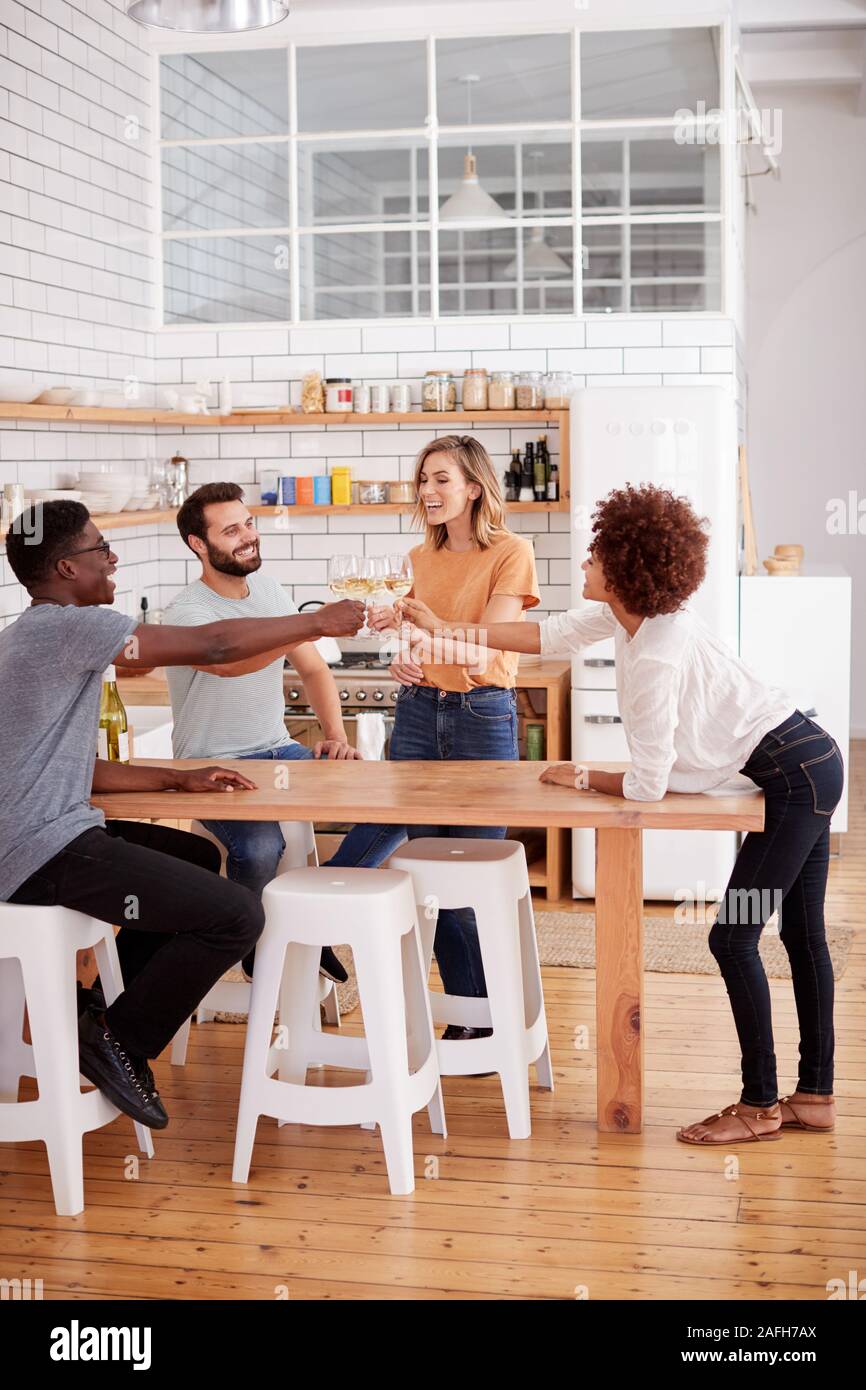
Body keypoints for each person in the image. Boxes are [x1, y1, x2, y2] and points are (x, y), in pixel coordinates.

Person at [397, 482, 842, 1141]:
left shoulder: (658, 647)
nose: (584, 563)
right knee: (800, 935)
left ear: (629, 569)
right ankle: (814, 1097)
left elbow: (647, 784)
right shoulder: (626, 617)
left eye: (596, 554)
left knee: (734, 935)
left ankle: (759, 1106)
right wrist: (445, 629)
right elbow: (543, 637)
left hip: (799, 777)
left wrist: (581, 774)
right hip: (805, 765)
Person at [0, 501, 365, 1130]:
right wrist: (317, 624)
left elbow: (73, 767)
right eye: (99, 551)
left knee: (197, 855)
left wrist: (175, 777)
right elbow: (214, 643)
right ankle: (121, 1040)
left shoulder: (34, 634)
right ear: (64, 567)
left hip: (48, 830)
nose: (113, 560)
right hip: (35, 849)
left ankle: (108, 1018)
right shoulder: (68, 627)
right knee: (237, 914)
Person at [165, 482, 407, 981]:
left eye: (249, 522)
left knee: (395, 803)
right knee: (258, 849)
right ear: (198, 545)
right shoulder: (189, 611)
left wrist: (335, 737)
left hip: (277, 751)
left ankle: (311, 923)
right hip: (212, 764)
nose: (248, 536)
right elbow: (229, 664)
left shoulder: (271, 593)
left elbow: (315, 671)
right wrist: (308, 625)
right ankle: (253, 945)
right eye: (231, 530)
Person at [368, 435, 539, 1038]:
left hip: (480, 716)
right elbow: (421, 642)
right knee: (425, 874)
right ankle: (471, 1009)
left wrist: (434, 627)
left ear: (474, 487)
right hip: (418, 713)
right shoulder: (418, 559)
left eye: (442, 480)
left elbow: (493, 640)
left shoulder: (512, 553)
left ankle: (493, 1010)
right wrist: (403, 658)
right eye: (423, 480)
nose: (428, 491)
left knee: (472, 870)